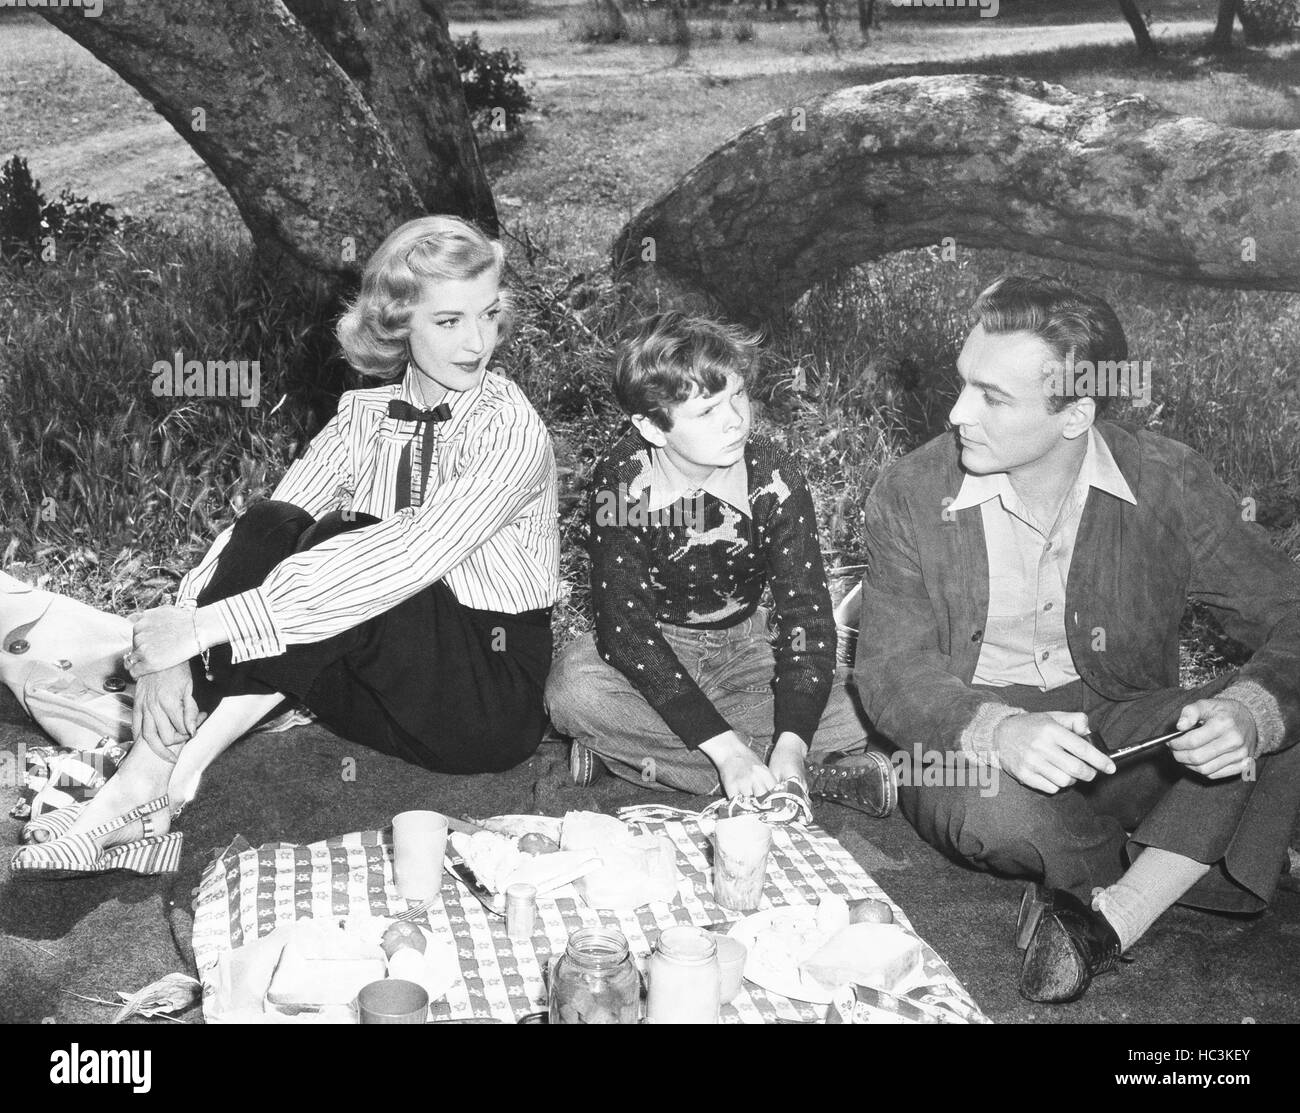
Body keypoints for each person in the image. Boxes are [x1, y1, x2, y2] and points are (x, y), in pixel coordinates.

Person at [12, 215, 560, 878]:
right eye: (449, 321)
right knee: (277, 521)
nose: (478, 341)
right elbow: (261, 533)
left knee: (343, 540)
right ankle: (155, 788)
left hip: (483, 701)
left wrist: (201, 629)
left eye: (489, 313)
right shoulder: (365, 417)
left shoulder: (510, 428)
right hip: (374, 694)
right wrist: (170, 652)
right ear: (396, 324)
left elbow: (405, 557)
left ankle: (146, 786)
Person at [853, 273, 1300, 1003]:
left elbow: (1291, 615)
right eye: (965, 382)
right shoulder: (911, 490)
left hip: (1121, 730)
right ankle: (1161, 866)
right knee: (998, 804)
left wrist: (1248, 712)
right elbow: (892, 671)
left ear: (1075, 415)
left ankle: (1105, 915)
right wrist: (998, 727)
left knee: (1272, 715)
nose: (957, 411)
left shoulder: (1166, 480)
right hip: (971, 742)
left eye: (993, 397)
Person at [546, 311, 895, 816]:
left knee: (867, 704)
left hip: (747, 649)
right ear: (650, 425)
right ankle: (787, 773)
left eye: (738, 395)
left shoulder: (774, 475)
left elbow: (806, 618)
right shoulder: (622, 482)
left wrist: (793, 740)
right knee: (573, 689)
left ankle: (634, 755)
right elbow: (625, 633)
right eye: (708, 410)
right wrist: (729, 750)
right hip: (653, 649)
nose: (736, 419)